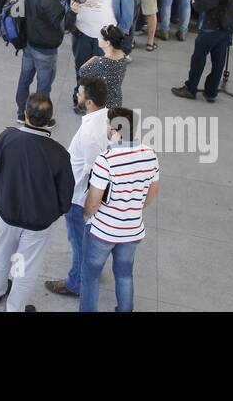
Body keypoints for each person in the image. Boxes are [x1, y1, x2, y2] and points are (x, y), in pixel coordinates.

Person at [0, 93, 73, 312]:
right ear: (50, 120)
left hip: (7, 212)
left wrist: (1, 195)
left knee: (3, 251)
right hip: (38, 222)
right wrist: (55, 212)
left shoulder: (7, 138)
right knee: (25, 265)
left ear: (25, 114)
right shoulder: (59, 153)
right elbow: (65, 194)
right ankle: (14, 307)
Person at [79, 107, 159, 313]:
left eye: (108, 124)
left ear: (117, 131)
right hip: (132, 229)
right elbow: (151, 194)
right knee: (124, 274)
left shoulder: (106, 159)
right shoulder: (150, 155)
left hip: (103, 231)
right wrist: (131, 207)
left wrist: (87, 215)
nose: (106, 127)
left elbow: (94, 201)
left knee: (90, 275)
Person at [45, 77, 109, 298]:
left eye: (80, 94)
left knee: (78, 240)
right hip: (81, 194)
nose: (77, 96)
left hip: (78, 198)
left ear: (89, 102)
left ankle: (76, 283)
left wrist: (88, 204)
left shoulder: (91, 133)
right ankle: (92, 268)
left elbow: (94, 172)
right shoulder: (104, 118)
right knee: (86, 238)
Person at [16, 0, 75, 120]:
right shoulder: (53, 4)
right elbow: (66, 26)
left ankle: (21, 113)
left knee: (24, 79)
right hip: (46, 51)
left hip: (28, 45)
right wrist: (73, 11)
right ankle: (39, 117)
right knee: (44, 86)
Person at [76, 24, 129, 107]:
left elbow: (82, 72)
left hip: (103, 104)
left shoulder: (102, 63)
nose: (98, 39)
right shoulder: (123, 56)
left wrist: (93, 58)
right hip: (116, 99)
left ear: (107, 43)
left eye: (100, 38)